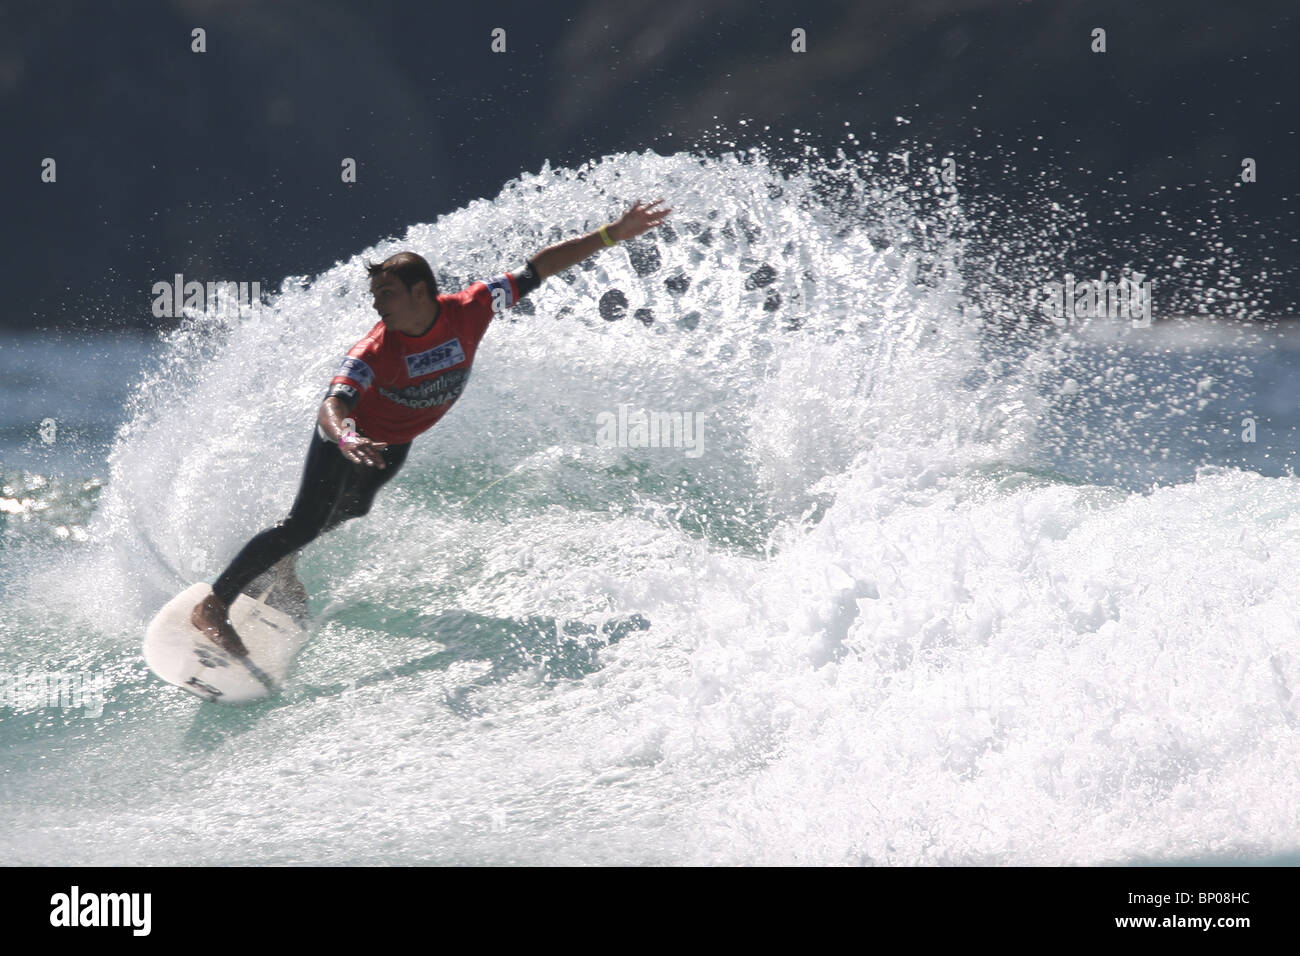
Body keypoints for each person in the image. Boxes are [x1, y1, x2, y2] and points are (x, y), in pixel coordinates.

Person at [191, 198, 672, 655]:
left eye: (386, 294)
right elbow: (332, 404)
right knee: (304, 522)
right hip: (347, 440)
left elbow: (537, 269)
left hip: (394, 441)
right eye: (375, 296)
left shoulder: (473, 306)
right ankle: (214, 604)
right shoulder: (374, 351)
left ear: (419, 292)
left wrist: (612, 234)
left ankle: (280, 565)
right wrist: (348, 436)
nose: (377, 305)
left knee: (354, 509)